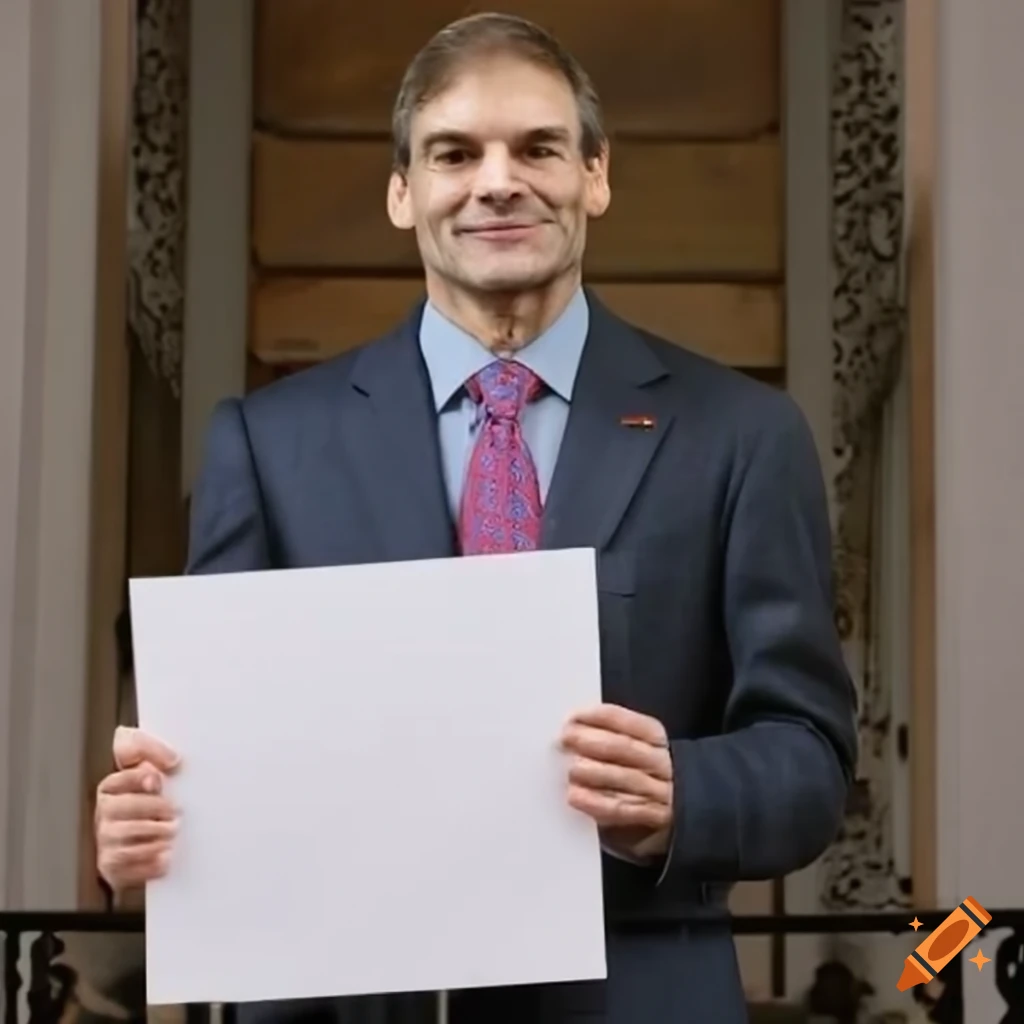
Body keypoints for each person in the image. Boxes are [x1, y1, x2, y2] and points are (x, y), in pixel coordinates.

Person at [94, 12, 858, 1024]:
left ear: (594, 175)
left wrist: (683, 790)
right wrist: (148, 830)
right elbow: (216, 755)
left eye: (537, 147)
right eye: (455, 152)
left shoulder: (740, 434)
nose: (498, 179)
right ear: (403, 192)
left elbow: (808, 755)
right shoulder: (268, 444)